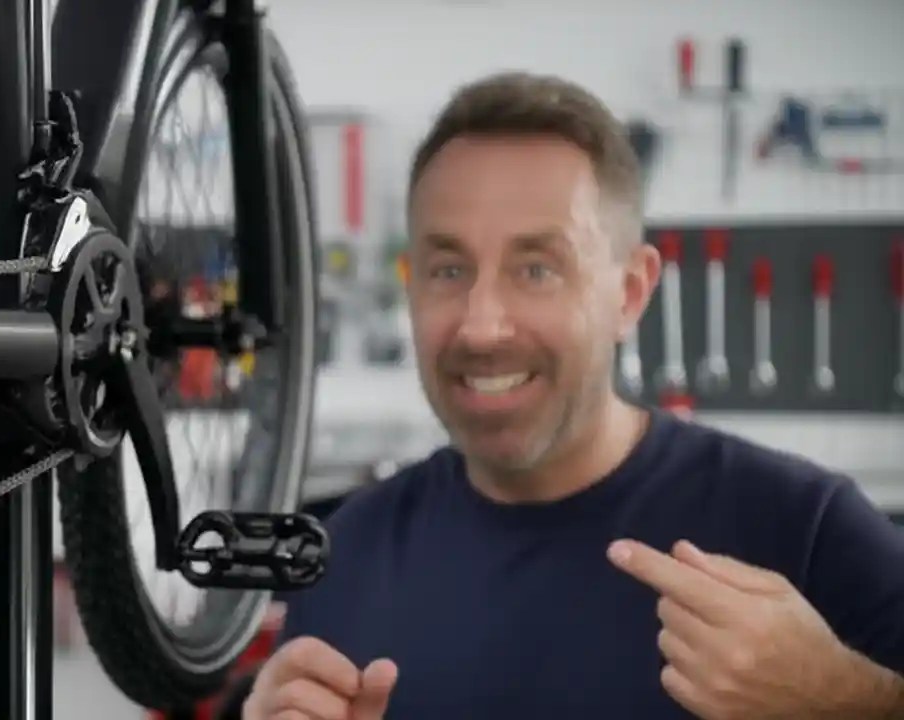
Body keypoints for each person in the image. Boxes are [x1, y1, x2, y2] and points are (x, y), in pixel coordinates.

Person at [241, 72, 904, 719]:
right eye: (449, 268)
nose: (481, 324)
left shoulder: (804, 528)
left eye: (537, 269)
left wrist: (843, 698)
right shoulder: (348, 550)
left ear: (631, 292)